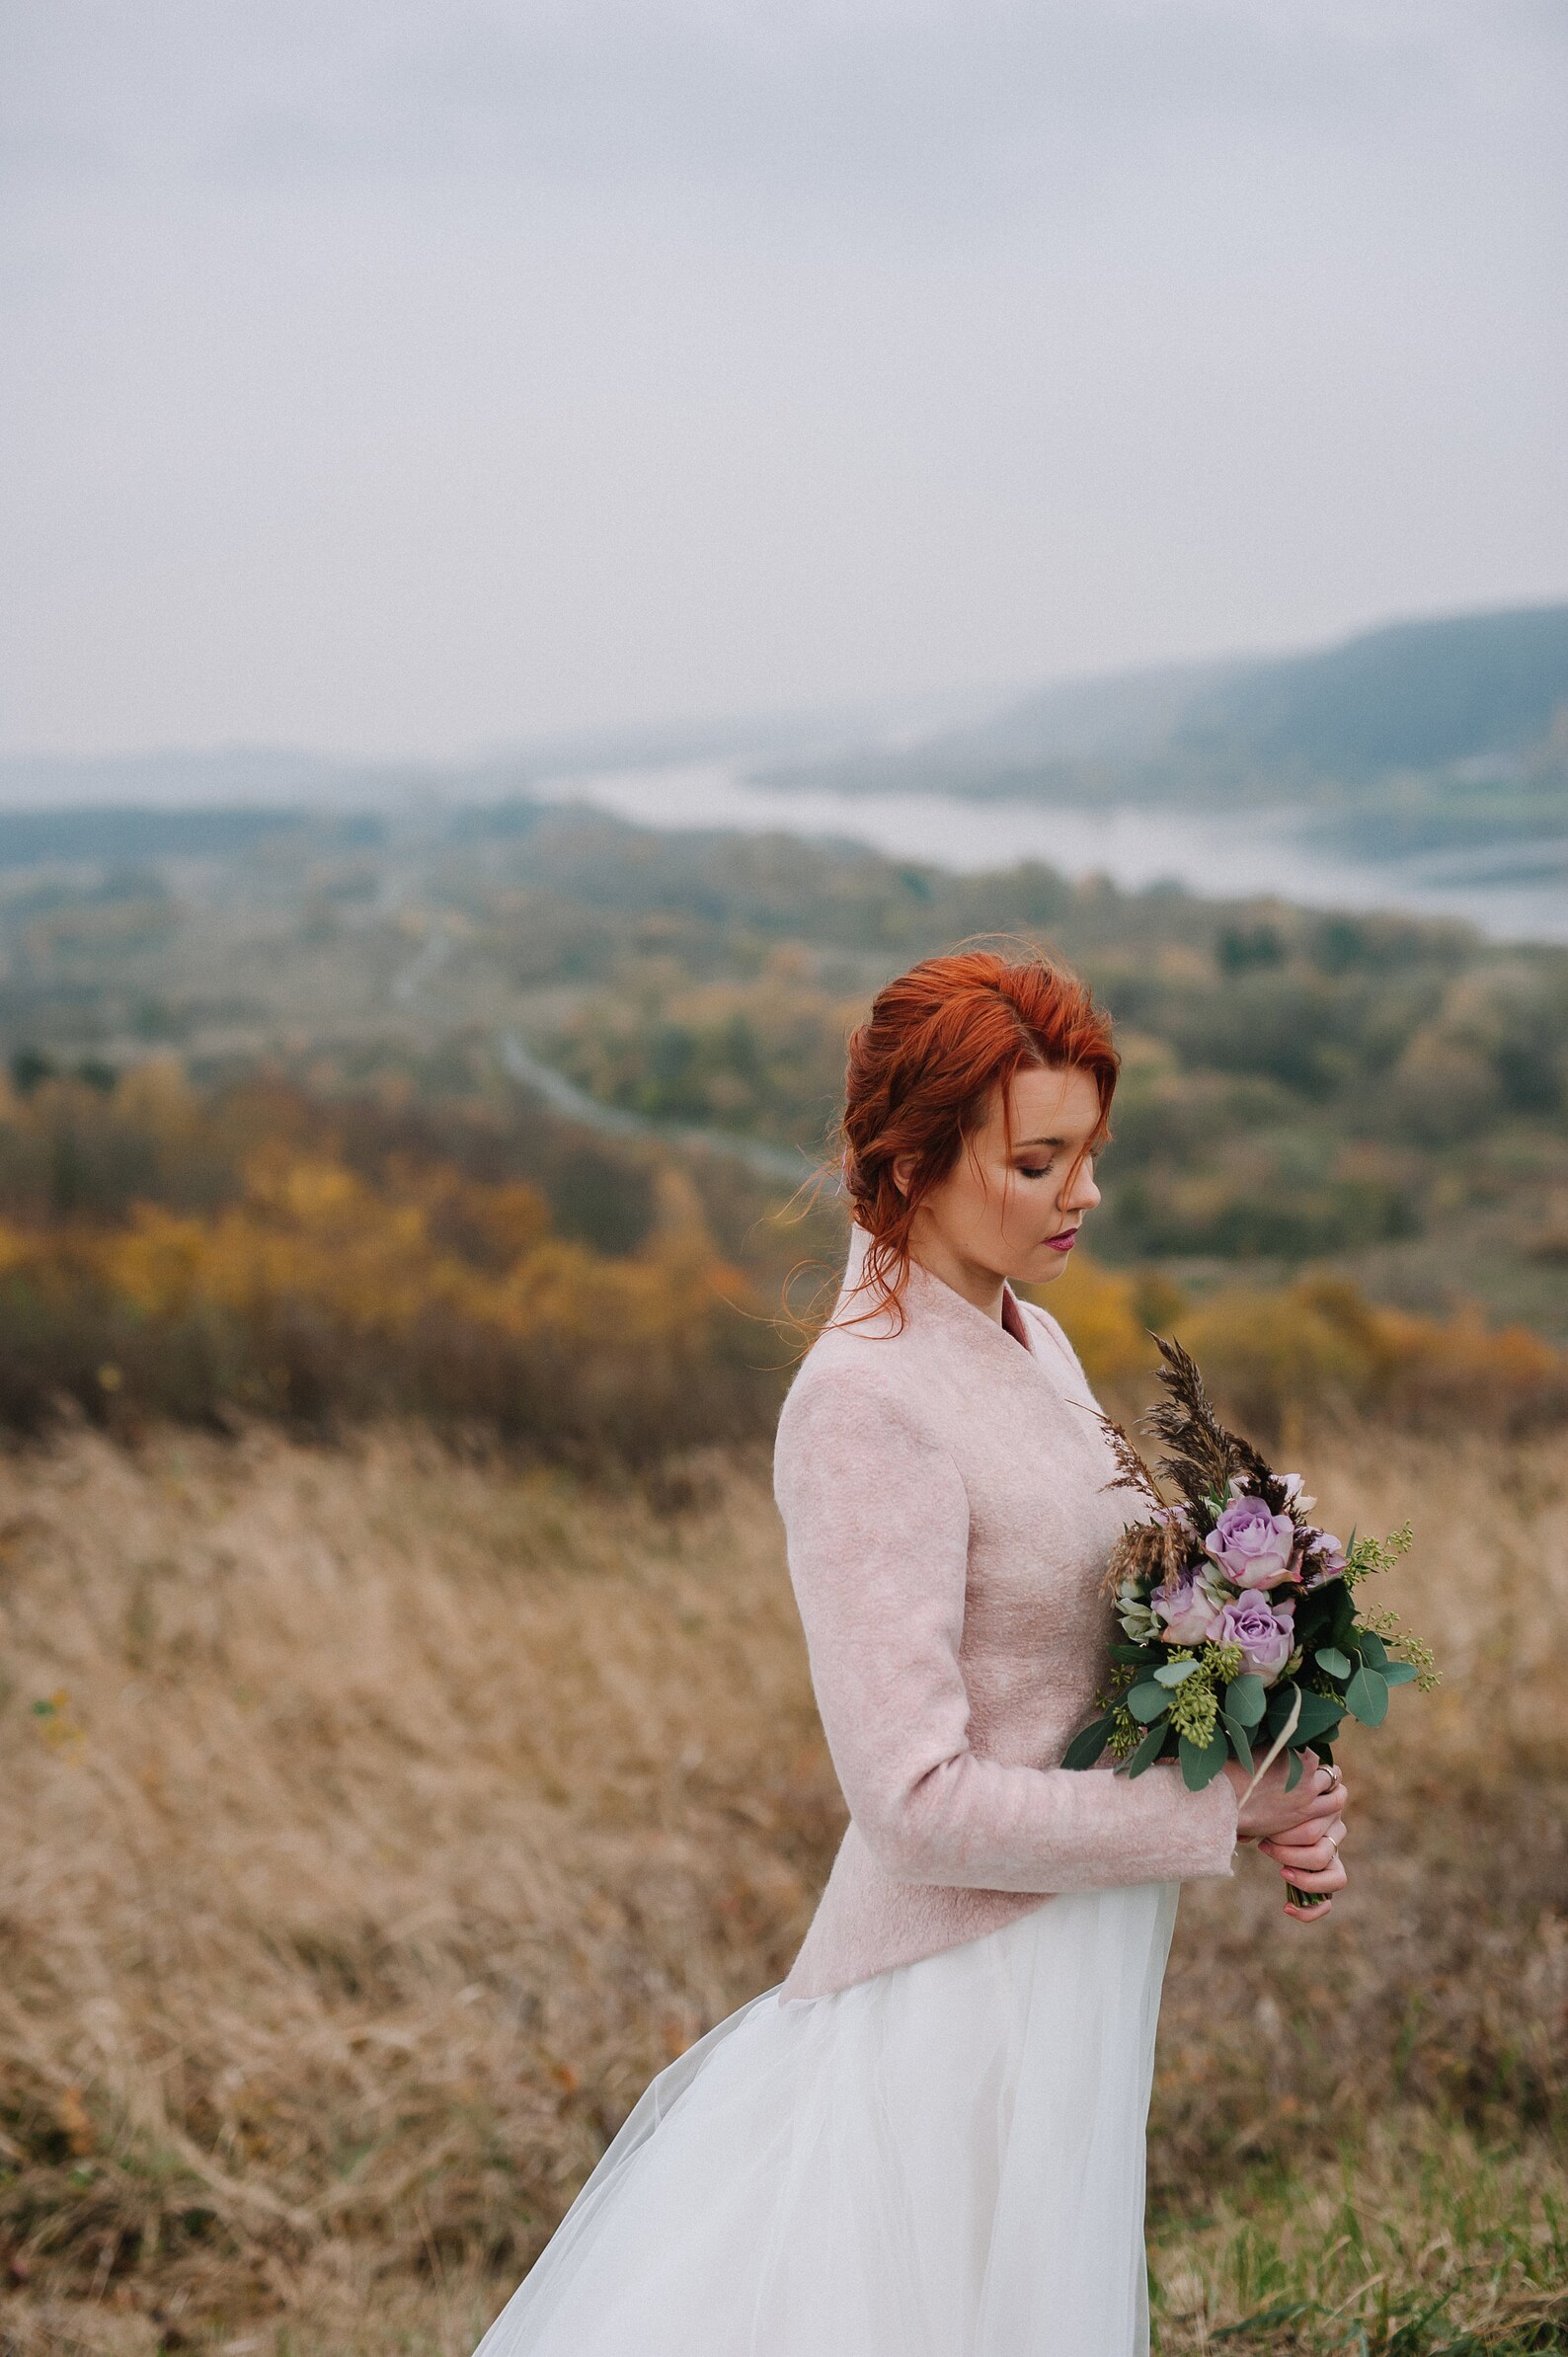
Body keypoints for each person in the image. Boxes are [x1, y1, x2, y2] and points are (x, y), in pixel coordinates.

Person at [473, 947, 1348, 2357]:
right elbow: (915, 1802)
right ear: (915, 1159)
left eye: (1092, 1152)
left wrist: (1264, 1747)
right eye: (1041, 1159)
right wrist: (1212, 1807)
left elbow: (1067, 1675)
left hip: (1071, 1961)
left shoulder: (1034, 1336)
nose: (1088, 1193)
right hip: (953, 2000)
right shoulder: (862, 1402)